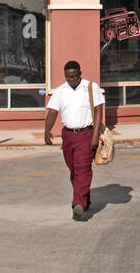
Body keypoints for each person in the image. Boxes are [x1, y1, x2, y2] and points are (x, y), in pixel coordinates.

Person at [44, 60, 106, 221]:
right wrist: (46, 130)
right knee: (73, 169)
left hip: (86, 134)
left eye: (74, 76)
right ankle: (85, 199)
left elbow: (98, 111)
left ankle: (78, 204)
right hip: (68, 135)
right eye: (68, 77)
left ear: (80, 73)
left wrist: (95, 136)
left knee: (82, 168)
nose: (71, 79)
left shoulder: (91, 87)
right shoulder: (60, 91)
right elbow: (52, 112)